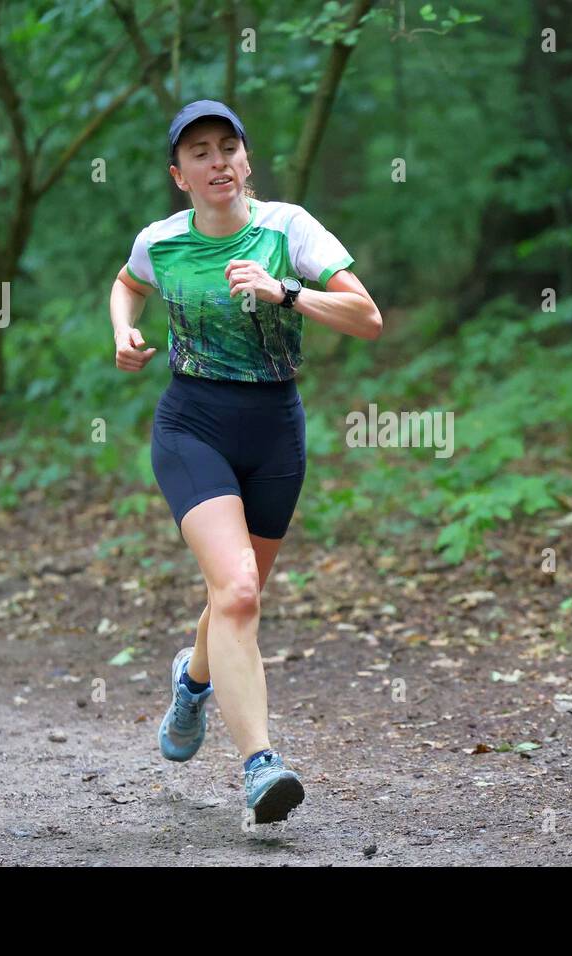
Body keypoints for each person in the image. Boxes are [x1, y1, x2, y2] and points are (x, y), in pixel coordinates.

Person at [107, 100, 382, 824]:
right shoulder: (159, 242)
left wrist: (286, 291)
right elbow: (127, 285)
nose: (217, 160)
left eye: (228, 146)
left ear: (247, 161)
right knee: (235, 592)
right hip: (192, 425)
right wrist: (123, 333)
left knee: (239, 594)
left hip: (275, 432)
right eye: (199, 151)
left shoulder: (288, 229)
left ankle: (192, 682)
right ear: (180, 175)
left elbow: (368, 318)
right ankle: (261, 765)